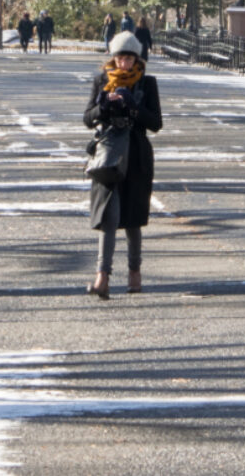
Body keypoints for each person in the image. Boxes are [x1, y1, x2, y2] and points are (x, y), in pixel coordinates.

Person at [84, 31, 162, 299]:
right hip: (107, 155)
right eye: (119, 58)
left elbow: (156, 123)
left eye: (128, 58)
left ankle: (134, 273)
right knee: (108, 214)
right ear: (112, 58)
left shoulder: (146, 84)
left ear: (137, 59)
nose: (123, 64)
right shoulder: (101, 81)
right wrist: (103, 108)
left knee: (132, 218)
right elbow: (86, 118)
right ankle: (102, 277)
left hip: (137, 155)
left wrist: (132, 108)